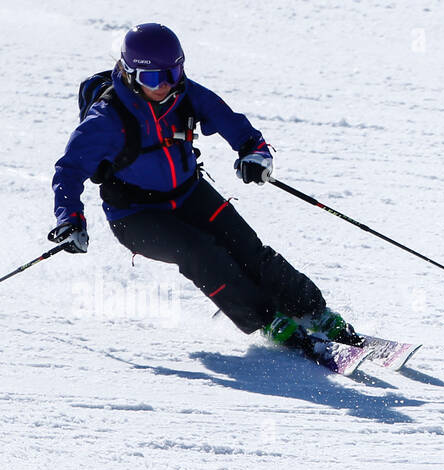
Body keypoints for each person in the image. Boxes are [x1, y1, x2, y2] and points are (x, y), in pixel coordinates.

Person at [49, 22, 358, 370]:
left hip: (189, 192)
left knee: (249, 250)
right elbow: (69, 170)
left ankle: (316, 312)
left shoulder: (184, 94)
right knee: (201, 253)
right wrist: (70, 219)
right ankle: (270, 322)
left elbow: (229, 120)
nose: (165, 83)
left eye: (173, 71)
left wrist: (253, 153)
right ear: (132, 75)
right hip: (136, 215)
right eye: (154, 78)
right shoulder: (105, 119)